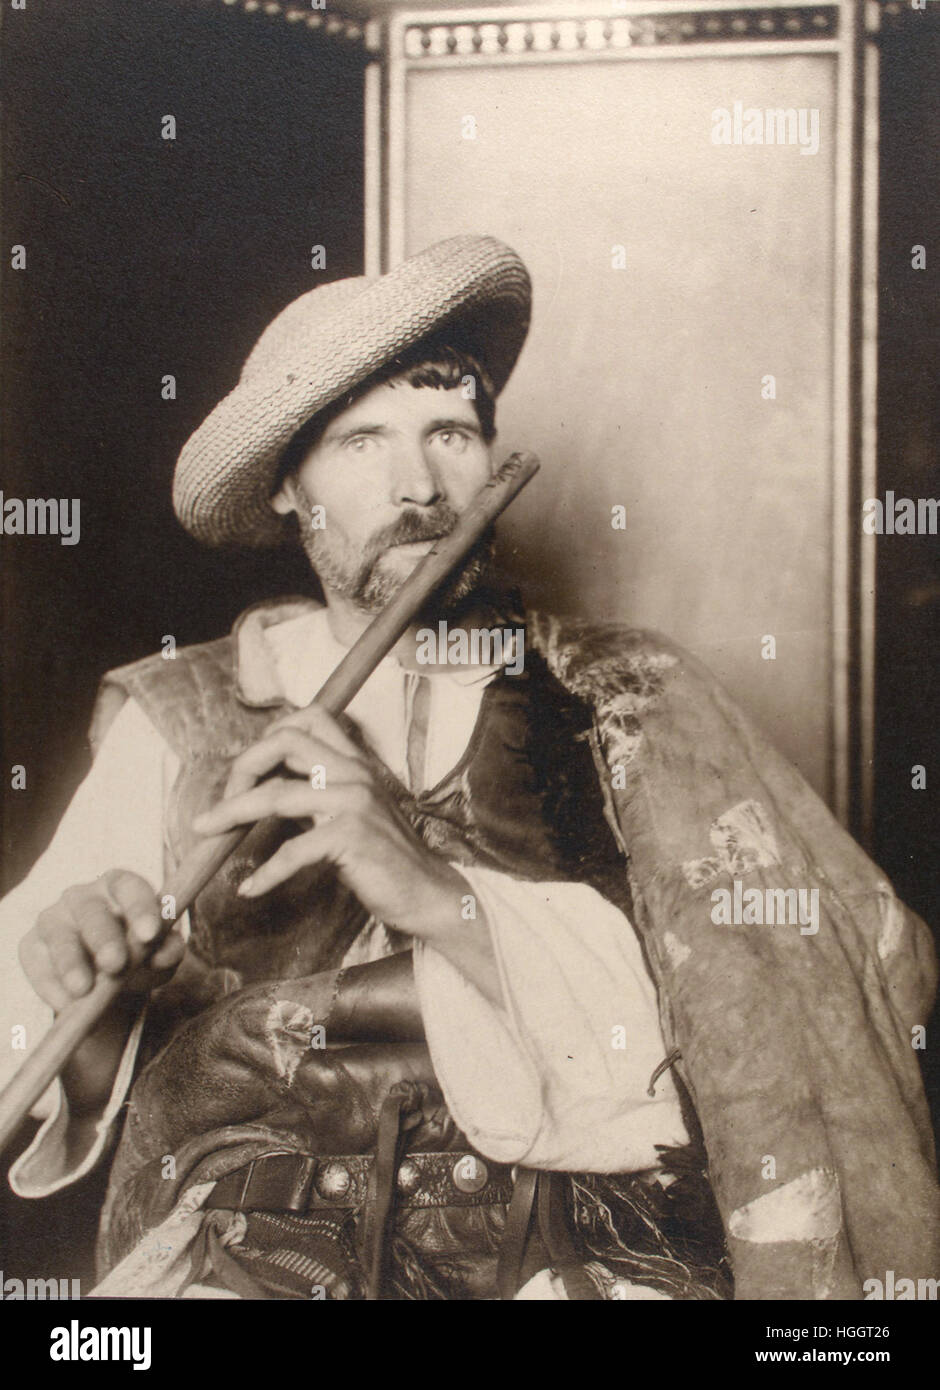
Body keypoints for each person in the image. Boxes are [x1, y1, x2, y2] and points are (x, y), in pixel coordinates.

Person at [1, 235, 937, 1301]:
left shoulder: (626, 697)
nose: (418, 485)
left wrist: (436, 897)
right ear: (284, 492)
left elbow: (823, 995)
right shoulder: (186, 714)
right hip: (257, 1248)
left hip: (585, 1243)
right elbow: (39, 1046)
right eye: (360, 443)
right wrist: (93, 1001)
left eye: (448, 434)